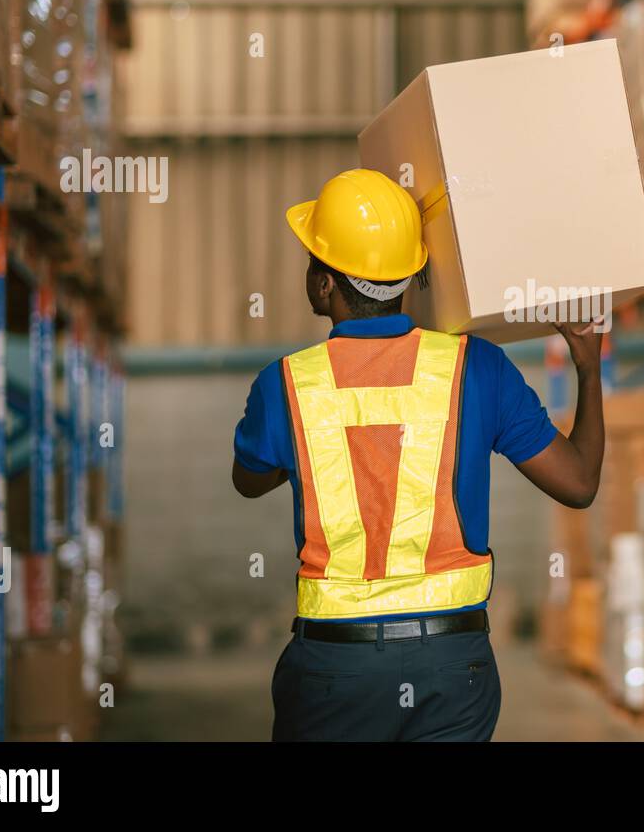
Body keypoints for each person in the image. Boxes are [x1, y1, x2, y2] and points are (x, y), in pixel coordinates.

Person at [231, 168, 605, 741]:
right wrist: (587, 364)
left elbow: (248, 479)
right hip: (453, 674)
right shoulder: (476, 367)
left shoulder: (286, 385)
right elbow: (579, 485)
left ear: (326, 285)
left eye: (312, 259)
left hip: (336, 672)